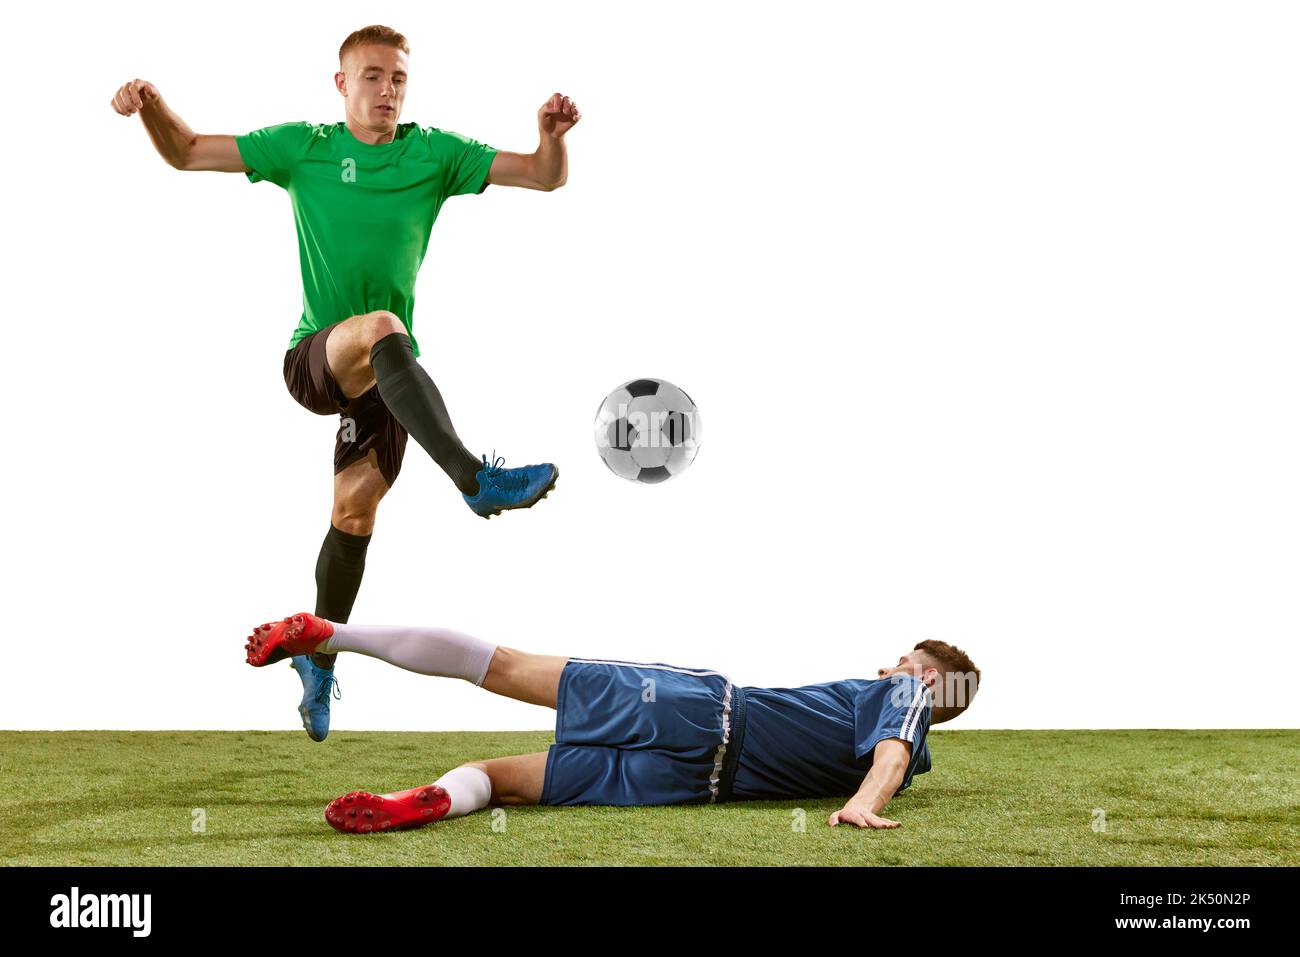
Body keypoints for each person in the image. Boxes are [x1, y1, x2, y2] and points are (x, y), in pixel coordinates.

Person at [110, 24, 581, 742]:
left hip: (389, 383)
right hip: (318, 359)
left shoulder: (435, 154)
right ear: (341, 84)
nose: (387, 90)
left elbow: (544, 176)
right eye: (372, 77)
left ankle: (320, 657)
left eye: (397, 79)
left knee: (355, 514)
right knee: (383, 324)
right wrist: (149, 104)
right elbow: (188, 151)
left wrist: (550, 135)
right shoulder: (307, 147)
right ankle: (472, 480)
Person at [244, 613, 981, 832]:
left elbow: (888, 751)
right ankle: (430, 797)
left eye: (900, 663)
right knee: (503, 783)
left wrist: (863, 803)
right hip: (692, 785)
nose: (885, 670)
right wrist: (869, 787)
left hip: (705, 709)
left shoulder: (904, 699)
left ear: (924, 678)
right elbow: (891, 755)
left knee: (506, 665)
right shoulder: (911, 752)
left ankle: (332, 634)